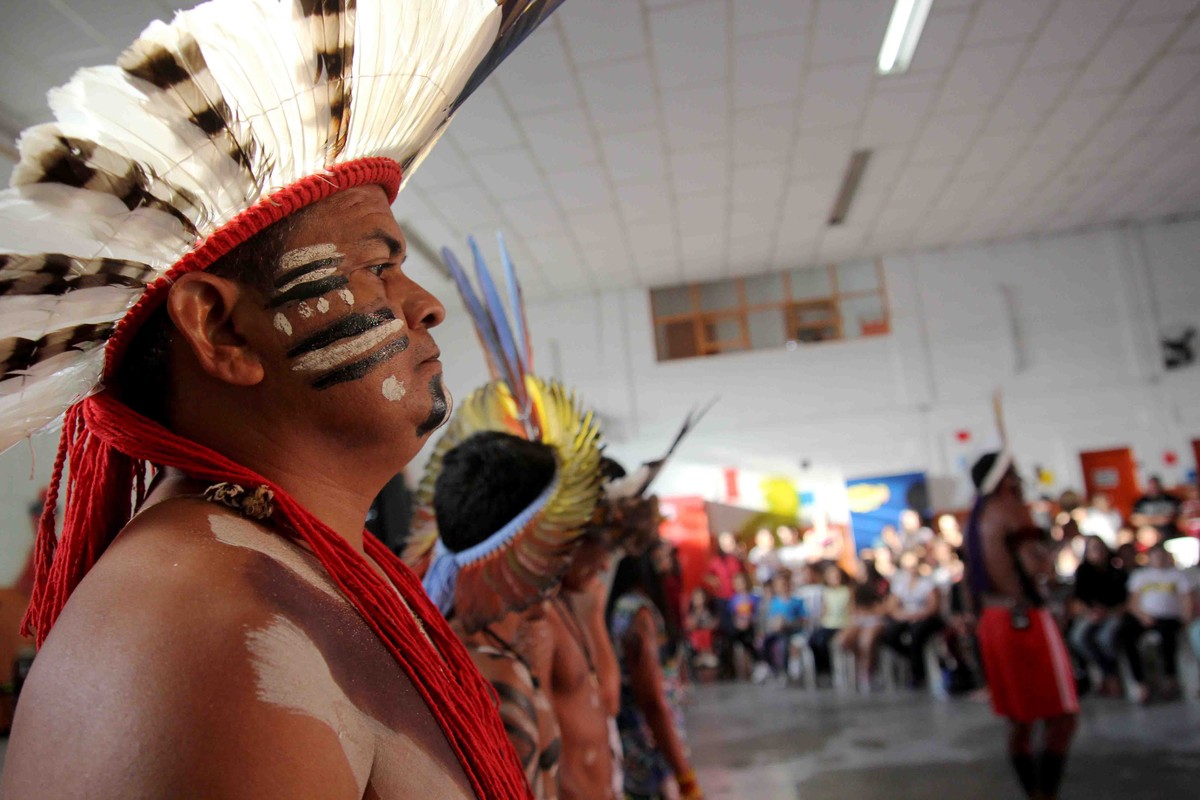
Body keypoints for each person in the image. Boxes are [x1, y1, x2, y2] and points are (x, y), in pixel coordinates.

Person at [0, 4, 563, 796]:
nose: (426, 303)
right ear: (221, 327)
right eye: (378, 266)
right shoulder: (205, 630)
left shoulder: (286, 569)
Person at [965, 452, 1078, 800]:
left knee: (1020, 720)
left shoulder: (976, 517)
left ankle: (1034, 793)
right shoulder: (1010, 511)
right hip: (1024, 621)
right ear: (1003, 479)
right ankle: (1046, 794)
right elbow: (1037, 569)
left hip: (994, 621)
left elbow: (971, 583)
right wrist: (1063, 542)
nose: (1019, 480)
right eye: (1013, 473)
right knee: (1062, 717)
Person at [609, 552, 704, 800]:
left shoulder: (621, 606)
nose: (671, 564)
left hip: (636, 748)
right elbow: (652, 701)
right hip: (649, 751)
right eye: (663, 558)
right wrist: (686, 779)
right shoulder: (639, 613)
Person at [1121, 545, 1192, 702]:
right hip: (1145, 617)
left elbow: (1187, 599)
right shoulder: (1140, 576)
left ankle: (1170, 678)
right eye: (1156, 556)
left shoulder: (1177, 575)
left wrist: (1187, 619)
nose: (1159, 559)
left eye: (1162, 555)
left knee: (1168, 635)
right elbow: (1132, 603)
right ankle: (1140, 683)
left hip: (1169, 618)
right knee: (1127, 635)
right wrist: (1143, 616)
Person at [1068, 537, 1128, 697]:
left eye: (1100, 548)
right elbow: (1079, 598)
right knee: (1078, 637)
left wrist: (1109, 612)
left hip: (1114, 613)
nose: (1098, 553)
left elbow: (1124, 599)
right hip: (1091, 614)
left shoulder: (1116, 571)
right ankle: (1108, 674)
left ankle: (1109, 676)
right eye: (1093, 549)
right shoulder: (1083, 572)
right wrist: (1091, 612)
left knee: (1105, 638)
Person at [880, 550, 944, 688]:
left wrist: (917, 616)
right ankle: (911, 658)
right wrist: (904, 616)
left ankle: (917, 674)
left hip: (924, 618)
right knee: (890, 634)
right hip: (906, 617)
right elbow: (892, 606)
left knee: (917, 634)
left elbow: (933, 607)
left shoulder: (927, 583)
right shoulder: (900, 584)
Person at [838, 577, 890, 691]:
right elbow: (852, 609)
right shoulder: (854, 588)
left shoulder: (881, 584)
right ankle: (862, 661)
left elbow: (886, 607)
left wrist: (870, 611)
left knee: (866, 642)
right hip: (860, 619)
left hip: (875, 619)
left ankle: (867, 673)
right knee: (843, 640)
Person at [808, 564, 852, 680]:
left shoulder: (847, 591)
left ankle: (830, 669)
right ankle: (822, 670)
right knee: (813, 640)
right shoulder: (826, 592)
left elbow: (851, 610)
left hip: (841, 624)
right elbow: (824, 609)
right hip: (828, 624)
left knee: (823, 641)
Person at [1131, 476, 1182, 541]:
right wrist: (1157, 520)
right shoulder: (1141, 502)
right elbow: (1135, 520)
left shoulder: (1170, 499)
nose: (1153, 488)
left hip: (1168, 531)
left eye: (1155, 486)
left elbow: (1173, 517)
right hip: (1148, 532)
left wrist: (1148, 519)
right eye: (1151, 486)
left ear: (1160, 486)